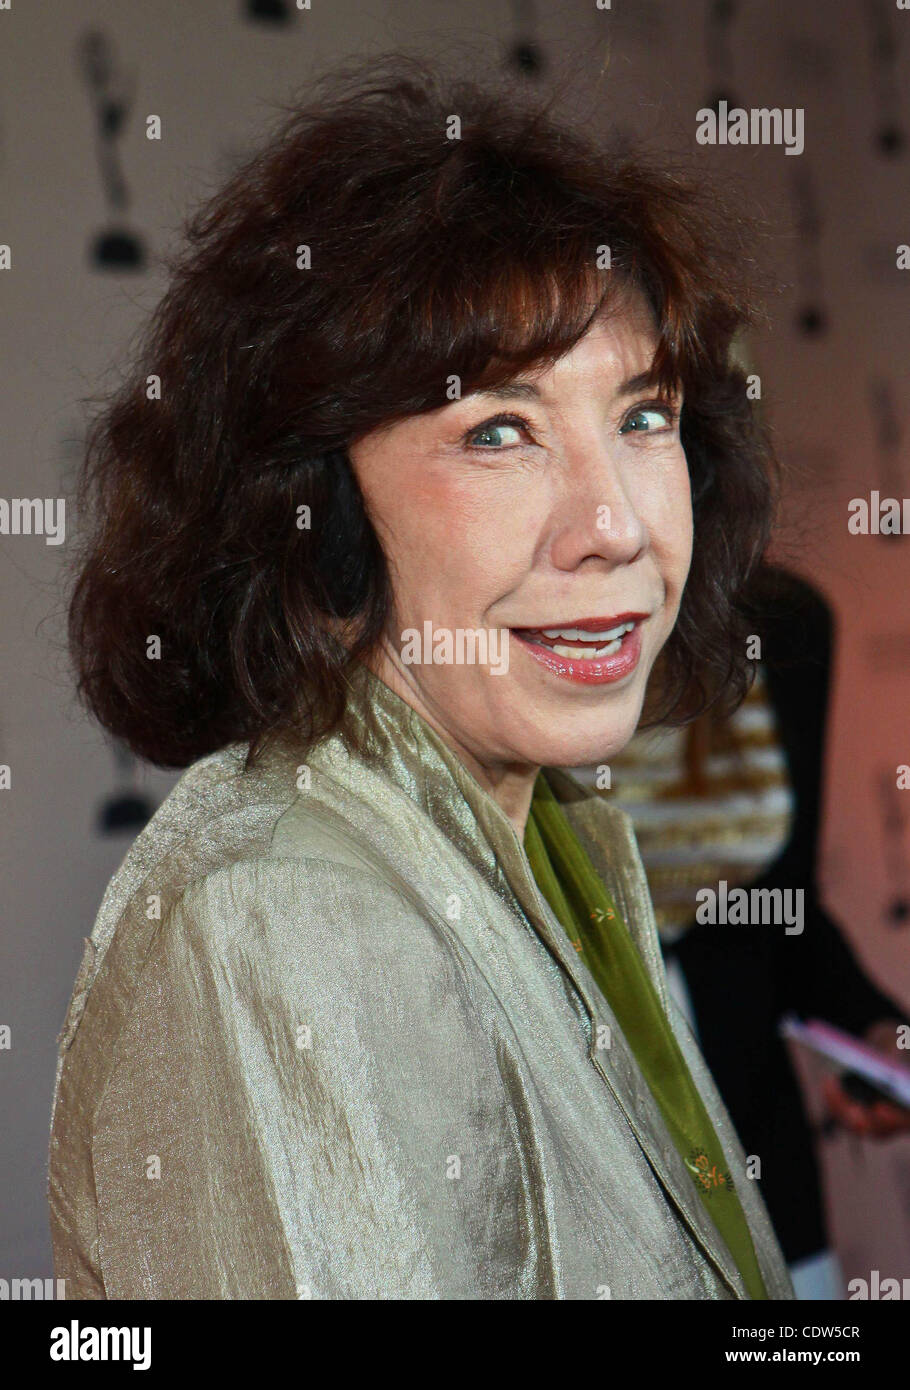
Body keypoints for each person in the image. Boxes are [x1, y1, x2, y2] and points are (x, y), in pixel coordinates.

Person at [49, 54, 795, 1299]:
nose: (610, 522)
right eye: (497, 431)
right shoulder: (281, 916)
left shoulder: (568, 836)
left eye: (643, 415)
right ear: (315, 512)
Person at [596, 562, 910, 1298]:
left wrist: (875, 1034)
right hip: (595, 1164)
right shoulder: (515, 627)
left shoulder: (783, 623)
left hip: (762, 1167)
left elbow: (780, 917)